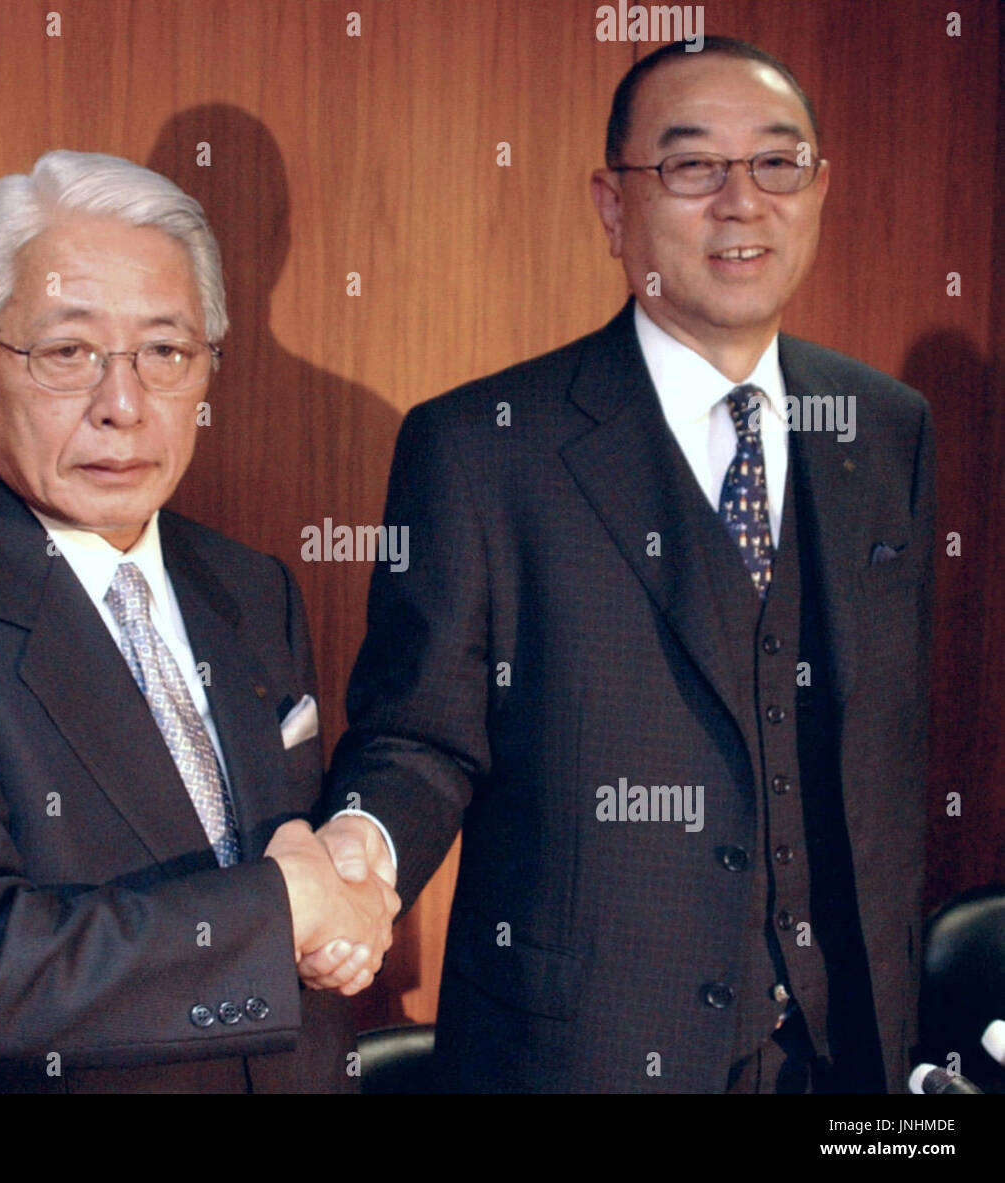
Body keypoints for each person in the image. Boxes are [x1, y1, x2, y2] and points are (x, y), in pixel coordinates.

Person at [326, 37, 935, 1093]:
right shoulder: (481, 446)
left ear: (819, 189)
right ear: (614, 207)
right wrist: (360, 849)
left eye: (777, 164)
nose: (742, 203)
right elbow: (417, 735)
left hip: (845, 1057)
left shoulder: (883, 428)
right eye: (693, 167)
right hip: (584, 1051)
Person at [0, 149, 398, 1093]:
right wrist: (284, 904)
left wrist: (334, 874)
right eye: (67, 353)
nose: (122, 407)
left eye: (166, 353)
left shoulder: (251, 590)